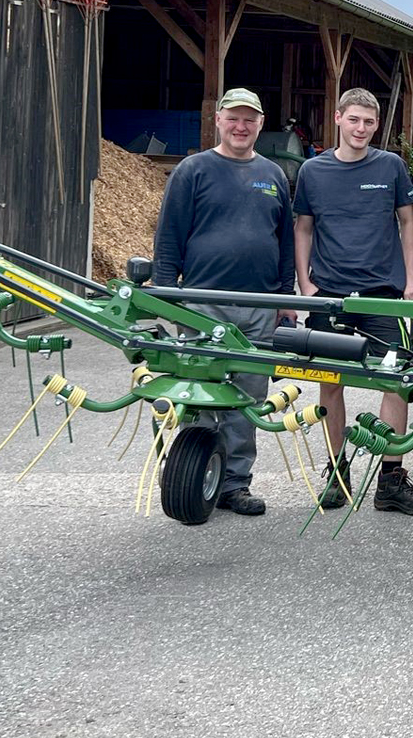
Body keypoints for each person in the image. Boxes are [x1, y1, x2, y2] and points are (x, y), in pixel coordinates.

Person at [295, 88, 413, 517]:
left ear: (378, 125)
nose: (361, 129)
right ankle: (337, 474)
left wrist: (411, 279)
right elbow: (303, 228)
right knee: (330, 382)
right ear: (337, 118)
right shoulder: (312, 171)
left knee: (395, 380)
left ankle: (391, 480)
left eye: (369, 122)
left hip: (384, 294)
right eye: (354, 120)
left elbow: (408, 222)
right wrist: (305, 284)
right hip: (330, 295)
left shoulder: (390, 166)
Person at [151, 87, 295, 517]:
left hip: (257, 304)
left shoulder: (273, 175)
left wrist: (285, 297)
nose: (241, 126)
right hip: (200, 302)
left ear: (260, 123)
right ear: (218, 120)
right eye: (234, 117)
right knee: (200, 393)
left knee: (246, 398)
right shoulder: (192, 170)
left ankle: (234, 483)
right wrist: (164, 294)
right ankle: (192, 476)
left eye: (249, 119)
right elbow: (170, 236)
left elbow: (284, 241)